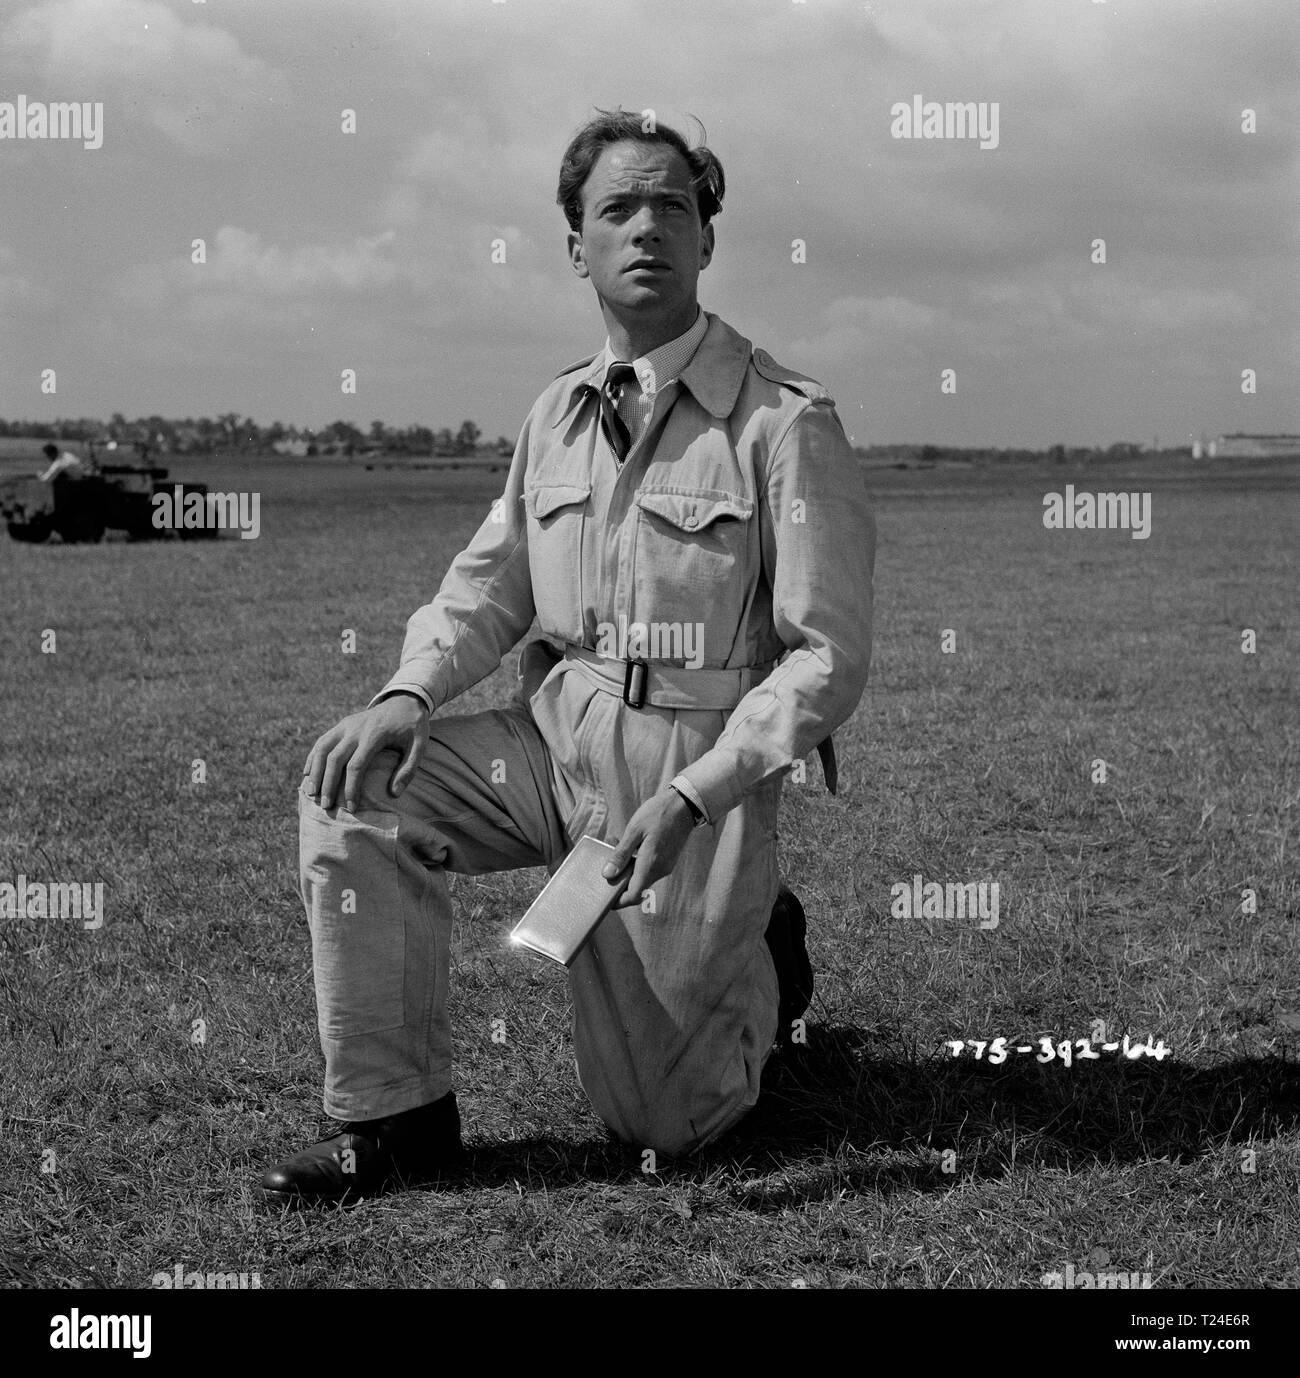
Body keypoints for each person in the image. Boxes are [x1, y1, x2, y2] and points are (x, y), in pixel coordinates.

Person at [259, 109, 876, 1207]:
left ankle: (761, 953)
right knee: (354, 797)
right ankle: (397, 1123)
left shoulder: (784, 421)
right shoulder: (556, 412)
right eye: (617, 208)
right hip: (550, 747)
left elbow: (827, 657)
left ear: (706, 239)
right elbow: (490, 583)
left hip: (688, 777)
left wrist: (696, 798)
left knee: (665, 1130)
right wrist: (407, 692)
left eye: (673, 206)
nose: (648, 226)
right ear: (576, 246)